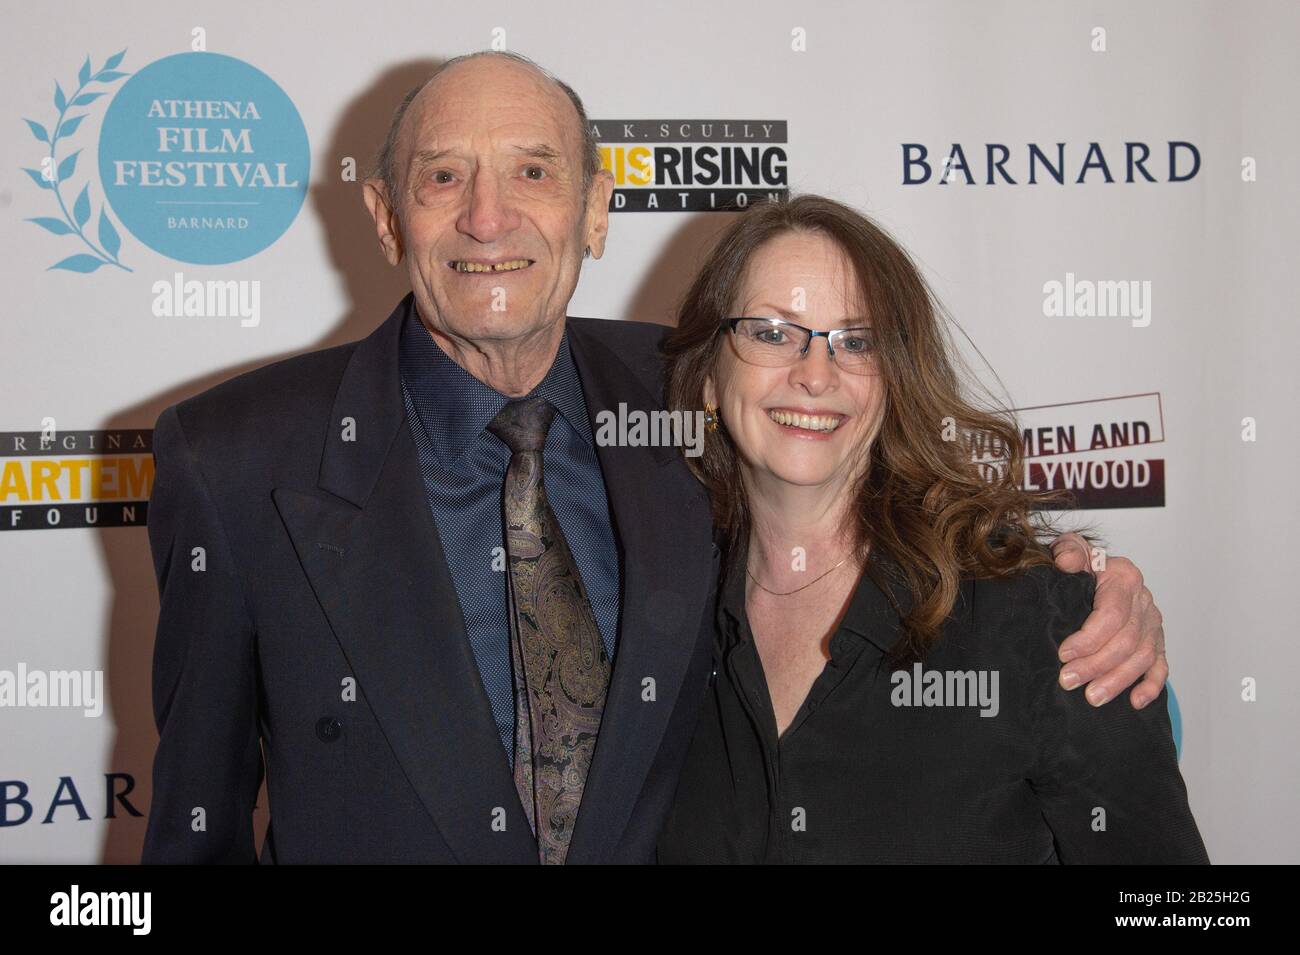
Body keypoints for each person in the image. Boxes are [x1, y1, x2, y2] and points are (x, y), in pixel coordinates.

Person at [142, 51, 1171, 865]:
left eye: (533, 173)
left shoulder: (693, 394)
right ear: (384, 216)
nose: (487, 217)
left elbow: (876, 490)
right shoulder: (236, 460)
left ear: (594, 211)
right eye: (443, 176)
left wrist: (1079, 587)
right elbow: (194, 830)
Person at [655, 194, 1207, 863]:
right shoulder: (655, 621)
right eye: (772, 332)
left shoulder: (1040, 620)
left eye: (857, 341)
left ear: (896, 381)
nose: (814, 373)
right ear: (710, 378)